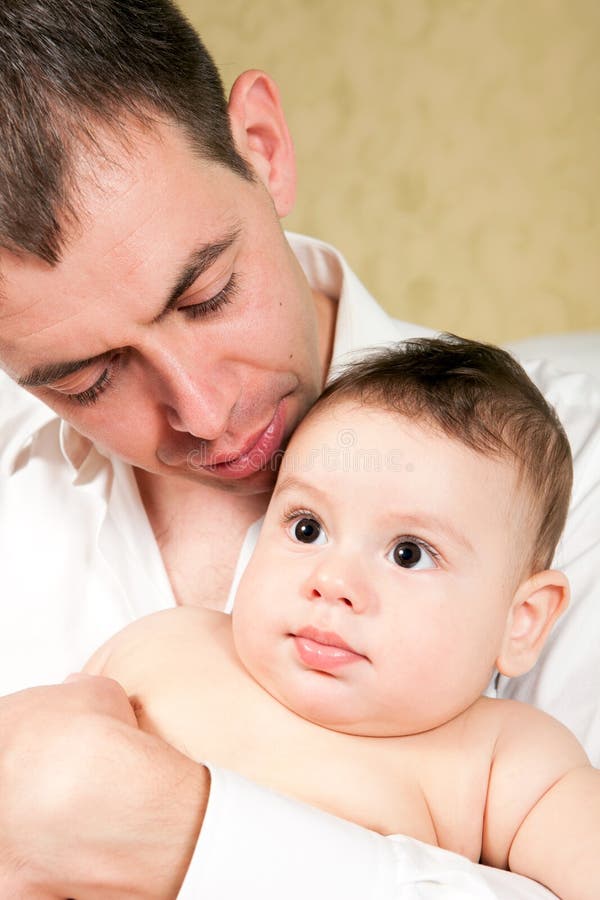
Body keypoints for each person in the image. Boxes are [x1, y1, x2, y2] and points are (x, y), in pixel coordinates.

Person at [0, 2, 599, 898]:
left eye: (206, 294)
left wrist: (181, 836)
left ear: (263, 147)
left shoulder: (566, 474)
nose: (202, 413)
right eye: (86, 380)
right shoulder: (157, 647)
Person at [83, 335, 600, 900]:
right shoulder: (164, 647)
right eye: (307, 528)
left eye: (409, 553)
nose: (332, 582)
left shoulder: (501, 759)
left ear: (520, 621)